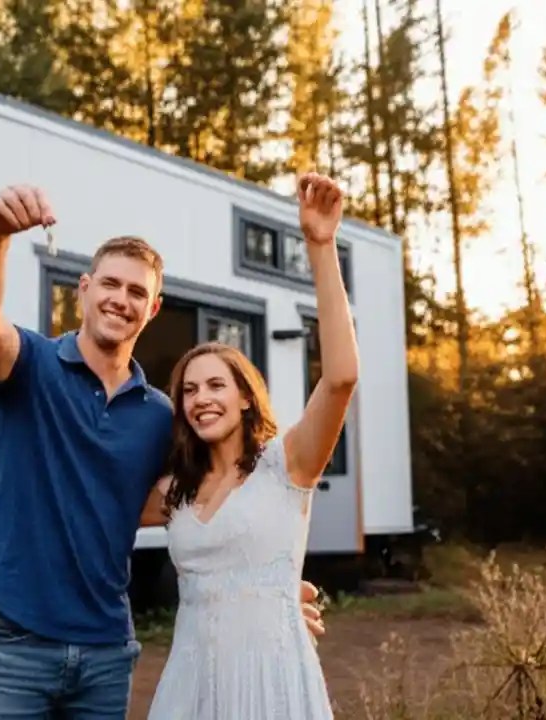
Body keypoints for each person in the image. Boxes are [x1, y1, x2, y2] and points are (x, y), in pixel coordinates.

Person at [0, 183, 326, 719]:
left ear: (151, 309)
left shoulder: (160, 416)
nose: (120, 300)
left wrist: (267, 597)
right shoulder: (29, 364)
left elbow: (206, 504)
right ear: (83, 290)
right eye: (109, 283)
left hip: (106, 653)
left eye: (136, 292)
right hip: (15, 644)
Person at [140, 172, 356, 719]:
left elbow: (340, 379)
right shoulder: (174, 491)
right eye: (189, 389)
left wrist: (321, 247)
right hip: (191, 685)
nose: (200, 398)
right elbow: (90, 522)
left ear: (244, 399)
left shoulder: (288, 465)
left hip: (271, 679)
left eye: (216, 385)